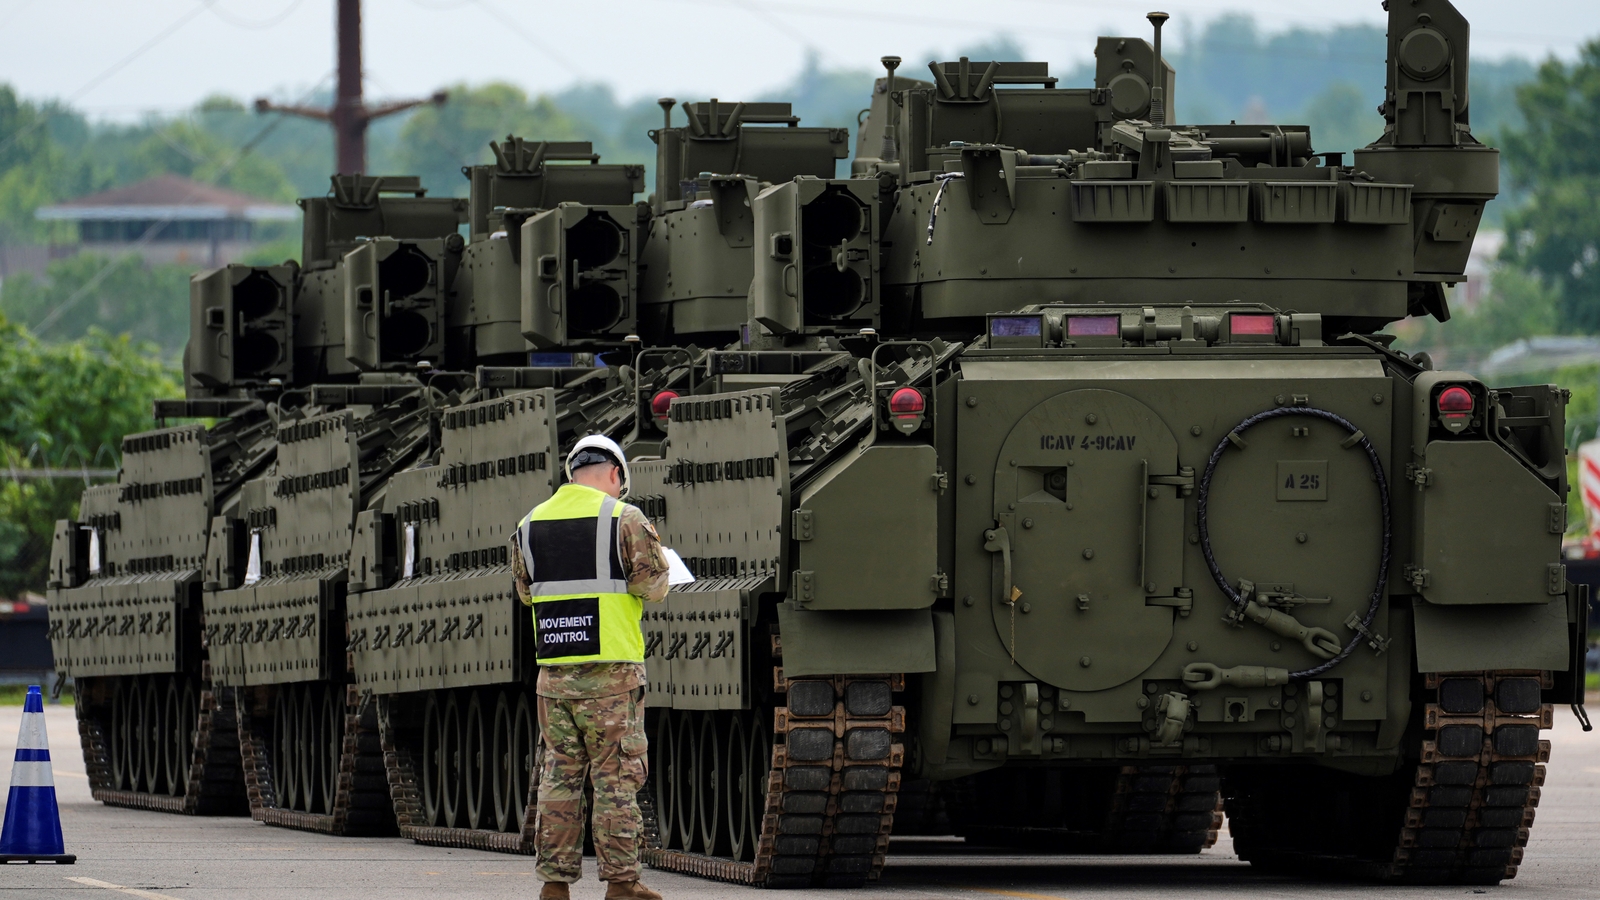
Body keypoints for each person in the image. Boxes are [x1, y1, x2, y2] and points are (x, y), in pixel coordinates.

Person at [510, 434, 670, 900]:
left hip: (554, 677)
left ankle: (554, 885)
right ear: (616, 474)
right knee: (616, 779)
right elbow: (654, 587)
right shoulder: (625, 518)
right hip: (611, 677)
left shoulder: (529, 524)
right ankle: (621, 884)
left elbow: (525, 593)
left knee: (559, 777)